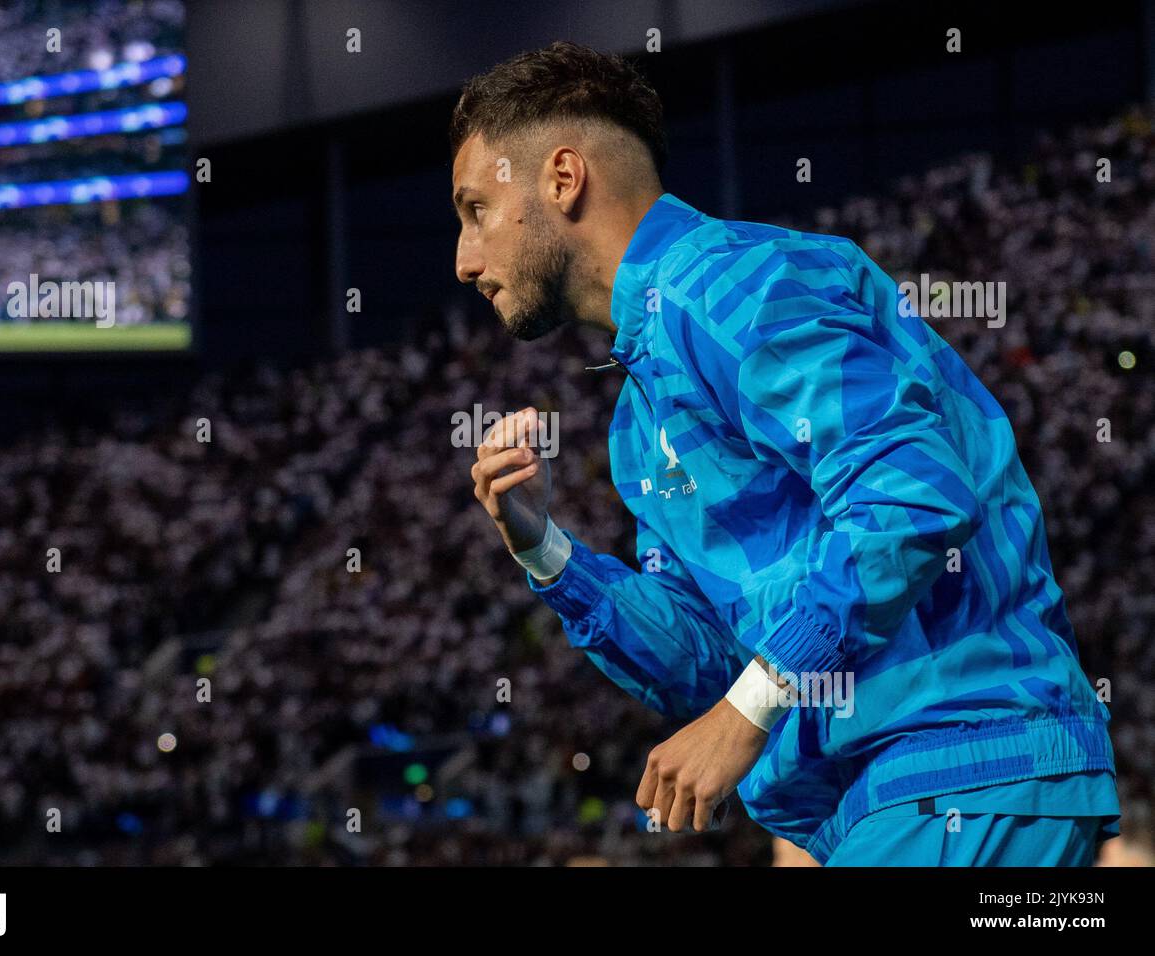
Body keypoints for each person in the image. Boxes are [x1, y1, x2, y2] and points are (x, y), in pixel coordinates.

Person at [452, 41, 1120, 865]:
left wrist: (749, 708)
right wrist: (545, 550)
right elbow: (711, 667)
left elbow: (910, 497)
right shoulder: (637, 416)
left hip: (962, 764)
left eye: (476, 209)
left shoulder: (736, 288)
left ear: (562, 178)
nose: (462, 259)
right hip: (876, 806)